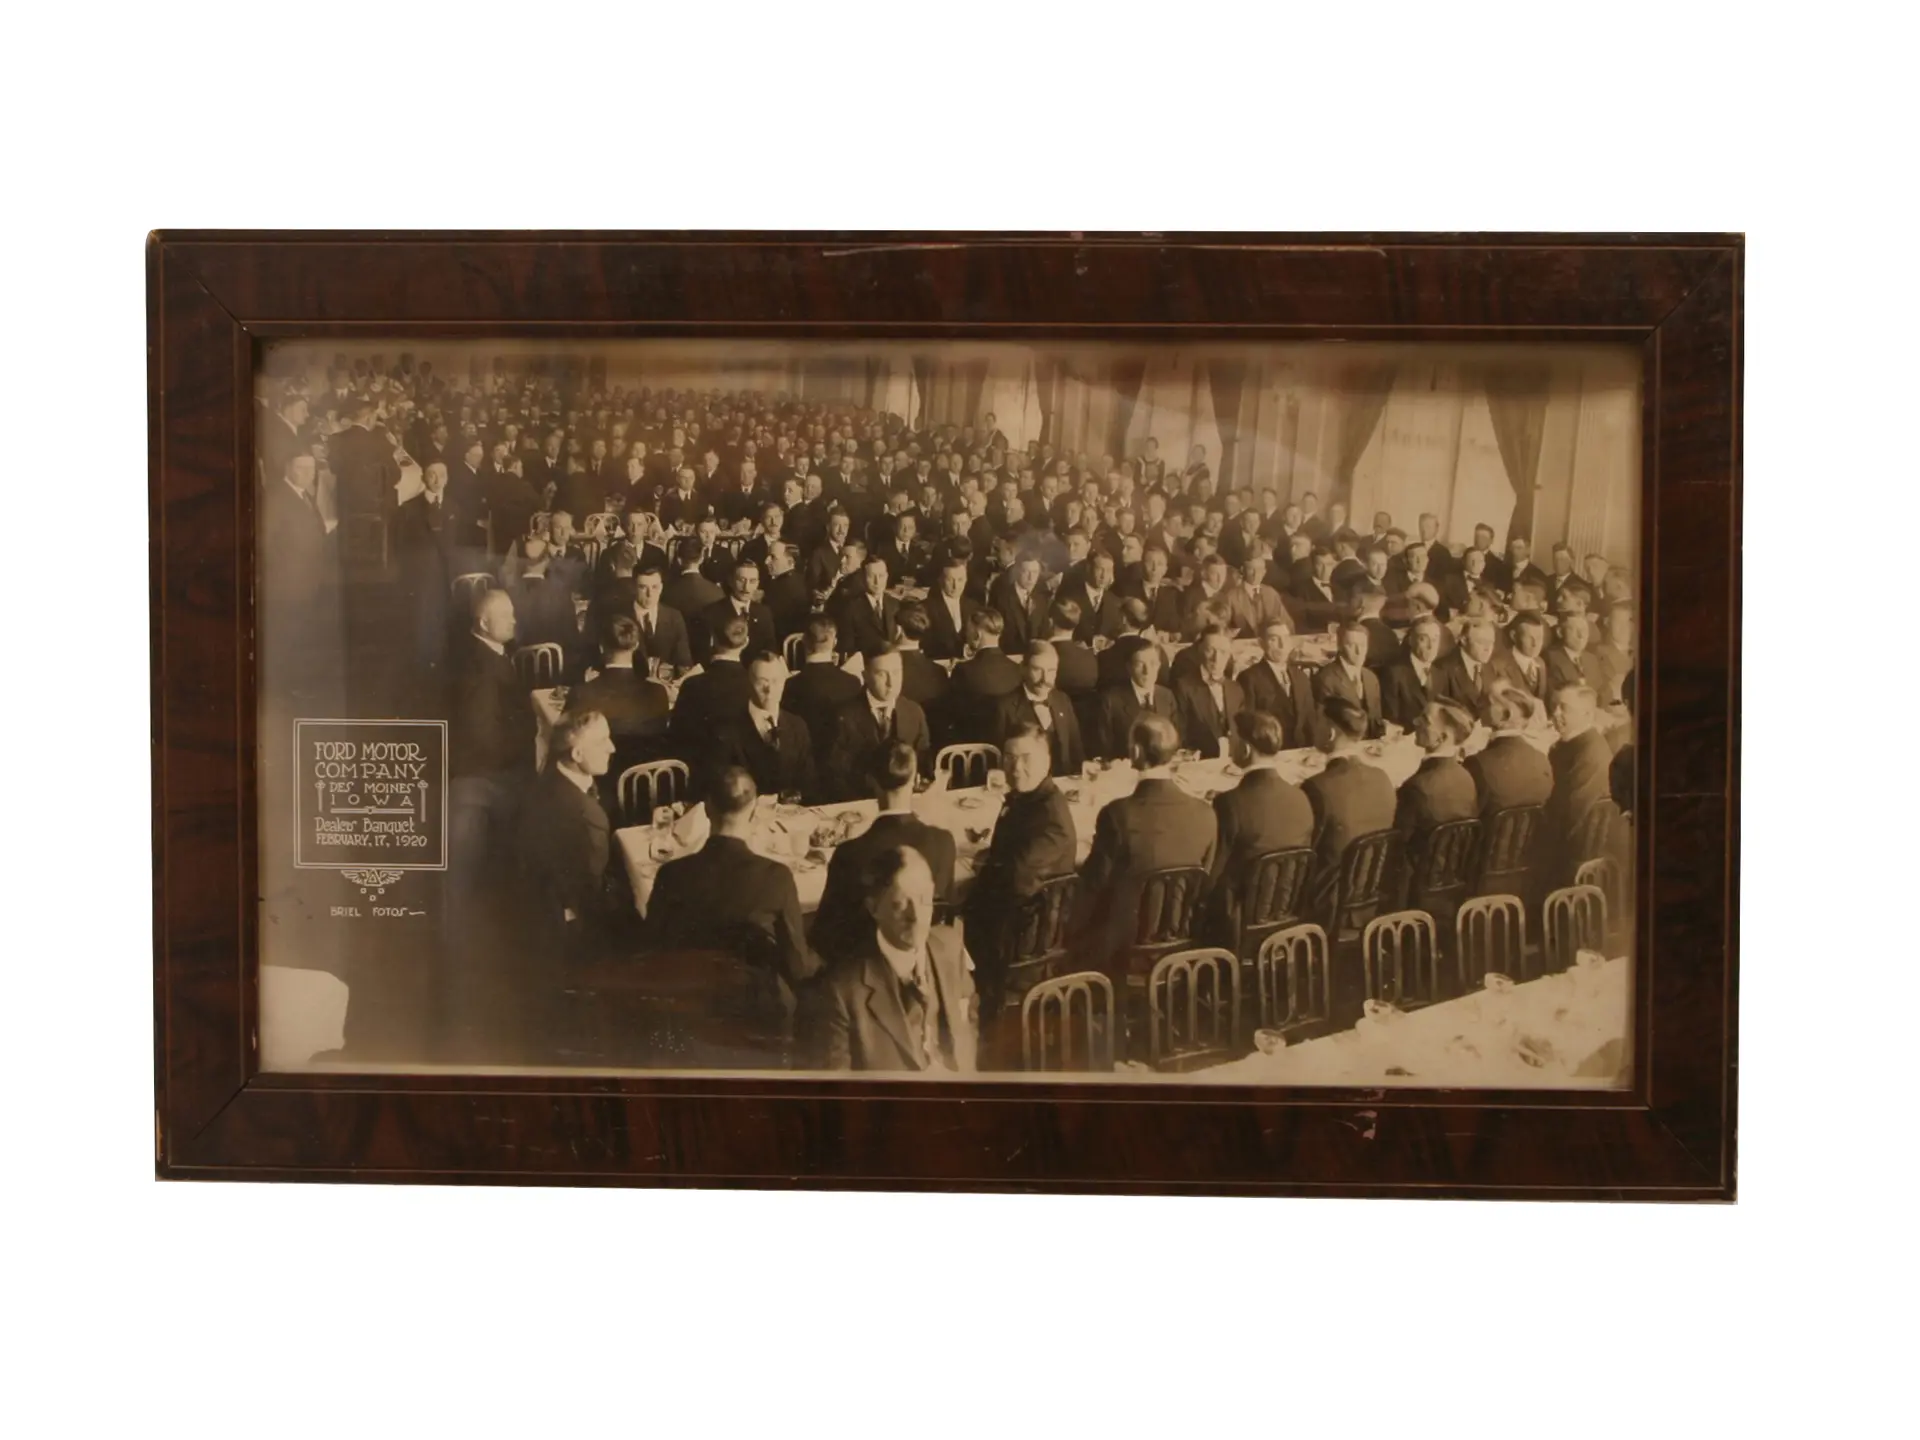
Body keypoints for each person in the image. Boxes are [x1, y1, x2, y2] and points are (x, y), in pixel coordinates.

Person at [800, 846, 978, 1072]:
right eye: (900, 903)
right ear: (873, 907)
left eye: (925, 899)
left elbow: (969, 1015)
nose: (916, 916)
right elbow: (839, 1090)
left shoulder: (950, 947)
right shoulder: (840, 992)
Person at [646, 766, 815, 996]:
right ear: (754, 812)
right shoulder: (777, 877)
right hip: (753, 1008)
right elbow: (797, 967)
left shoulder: (671, 874)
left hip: (687, 1002)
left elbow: (652, 948)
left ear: (705, 809)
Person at [1072, 713, 1218, 976]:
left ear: (1135, 751)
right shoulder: (1205, 813)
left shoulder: (1117, 814)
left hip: (1124, 942)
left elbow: (1093, 883)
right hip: (1182, 935)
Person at [961, 723, 1078, 1024]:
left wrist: (986, 870)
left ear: (1047, 760)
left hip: (1028, 932)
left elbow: (1015, 882)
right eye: (1009, 758)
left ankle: (975, 1015)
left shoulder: (1050, 816)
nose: (1016, 768)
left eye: (1026, 758)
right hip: (1019, 914)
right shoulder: (1026, 798)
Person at [812, 741, 958, 963]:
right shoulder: (944, 842)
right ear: (916, 779)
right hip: (926, 959)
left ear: (871, 781)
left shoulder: (850, 853)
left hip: (868, 967)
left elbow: (823, 935)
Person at [517, 709, 620, 966]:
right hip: (567, 921)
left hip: (540, 896)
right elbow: (591, 888)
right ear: (576, 754)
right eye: (602, 742)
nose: (613, 748)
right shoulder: (588, 816)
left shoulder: (551, 773)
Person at [1204, 710, 1315, 946]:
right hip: (1287, 914)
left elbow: (1213, 874)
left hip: (1240, 922)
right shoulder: (1301, 797)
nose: (1230, 741)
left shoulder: (1230, 804)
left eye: (1232, 737)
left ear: (1244, 749)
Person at [1300, 696, 1398, 921]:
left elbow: (1306, 853)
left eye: (1318, 722)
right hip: (1372, 898)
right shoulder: (1382, 778)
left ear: (1331, 733)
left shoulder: (1317, 787)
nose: (1313, 727)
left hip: (1330, 904)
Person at [570, 615, 672, 795]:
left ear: (601, 647)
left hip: (602, 790)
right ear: (636, 646)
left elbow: (565, 745)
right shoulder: (659, 692)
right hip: (649, 789)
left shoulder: (583, 692)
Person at [1393, 699, 1481, 895]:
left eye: (1424, 720)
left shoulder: (1417, 787)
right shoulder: (1466, 777)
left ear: (1441, 738)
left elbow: (1396, 848)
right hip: (1453, 878)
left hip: (1418, 887)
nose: (1415, 722)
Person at [710, 650, 816, 804]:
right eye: (762, 682)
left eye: (776, 681)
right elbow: (721, 792)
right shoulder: (727, 730)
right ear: (748, 683)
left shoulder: (797, 725)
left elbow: (809, 784)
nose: (770, 690)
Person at [824, 646, 931, 799]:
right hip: (860, 804)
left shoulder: (914, 712)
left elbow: (924, 763)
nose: (891, 682)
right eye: (882, 674)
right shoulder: (844, 717)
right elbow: (835, 776)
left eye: (896, 672)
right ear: (865, 676)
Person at [1546, 683, 1614, 881]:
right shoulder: (1572, 743)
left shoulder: (1590, 752)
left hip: (1575, 851)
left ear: (1586, 714)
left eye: (1564, 708)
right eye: (1555, 706)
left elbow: (1571, 813)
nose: (1555, 713)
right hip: (1568, 841)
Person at [991, 639, 1086, 776]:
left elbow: (1077, 751)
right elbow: (999, 764)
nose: (1045, 679)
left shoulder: (1062, 700)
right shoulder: (1004, 708)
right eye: (1037, 670)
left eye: (1051, 671)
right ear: (1023, 668)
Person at [782, 617, 864, 767]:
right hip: (845, 763)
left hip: (806, 762)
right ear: (835, 643)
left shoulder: (791, 685)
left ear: (804, 642)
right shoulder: (853, 683)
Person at [1465, 684, 1555, 815]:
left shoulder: (1477, 763)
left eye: (1488, 704)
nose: (1481, 707)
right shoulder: (1541, 759)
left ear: (1504, 716)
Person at [1237, 617, 1321, 752]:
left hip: (1301, 753)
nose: (1282, 645)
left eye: (1286, 638)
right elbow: (1248, 727)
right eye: (1274, 639)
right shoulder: (1249, 678)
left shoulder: (1301, 677)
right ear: (1261, 643)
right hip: (1269, 753)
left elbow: (1310, 722)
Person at [670, 613, 754, 748]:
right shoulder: (753, 683)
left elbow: (676, 736)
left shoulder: (693, 685)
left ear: (712, 640)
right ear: (746, 642)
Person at [947, 607, 1023, 744]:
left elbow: (953, 712)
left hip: (973, 743)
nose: (966, 636)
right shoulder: (1017, 669)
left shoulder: (964, 670)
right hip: (1009, 741)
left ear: (977, 635)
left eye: (968, 631)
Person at [1093, 639, 1178, 761]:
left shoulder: (1166, 696)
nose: (1147, 671)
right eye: (1140, 664)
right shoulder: (1111, 700)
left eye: (1153, 663)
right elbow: (1104, 749)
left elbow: (1176, 741)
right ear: (1129, 667)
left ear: (1160, 665)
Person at [1172, 628, 1246, 757]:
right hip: (1200, 763)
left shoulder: (1236, 689)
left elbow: (1242, 733)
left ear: (1229, 655)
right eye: (1210, 650)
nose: (1216, 659)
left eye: (1223, 652)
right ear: (1200, 650)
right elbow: (1180, 735)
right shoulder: (1184, 687)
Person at [696, 557, 776, 664]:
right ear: (731, 581)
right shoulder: (711, 613)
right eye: (741, 580)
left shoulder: (764, 613)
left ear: (757, 584)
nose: (746, 587)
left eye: (752, 581)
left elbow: (770, 650)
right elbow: (704, 656)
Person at [1312, 620, 1385, 738]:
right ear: (1339, 646)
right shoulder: (1326, 679)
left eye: (1362, 645)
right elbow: (1322, 727)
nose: (1358, 651)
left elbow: (1376, 721)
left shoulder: (1371, 678)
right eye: (1351, 645)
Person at [1381, 616, 1445, 730]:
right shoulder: (1393, 674)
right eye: (1423, 639)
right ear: (1411, 641)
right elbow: (1391, 721)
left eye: (1435, 639)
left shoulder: (1440, 673)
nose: (1431, 646)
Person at [629, 565, 693, 674]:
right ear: (633, 588)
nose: (650, 594)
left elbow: (684, 661)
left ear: (661, 587)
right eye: (643, 587)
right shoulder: (619, 617)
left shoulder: (674, 616)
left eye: (655, 587)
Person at [834, 554, 899, 658]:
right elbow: (847, 648)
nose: (877, 582)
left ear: (887, 576)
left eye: (881, 576)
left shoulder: (895, 604)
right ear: (862, 578)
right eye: (871, 576)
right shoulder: (850, 608)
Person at [922, 556, 982, 661]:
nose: (956, 586)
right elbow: (927, 647)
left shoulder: (974, 606)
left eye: (960, 580)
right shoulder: (926, 608)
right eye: (950, 580)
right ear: (940, 580)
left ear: (966, 579)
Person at [989, 554, 1050, 657]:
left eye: (1035, 572)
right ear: (1016, 571)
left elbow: (1045, 633)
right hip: (1008, 659)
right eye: (1026, 572)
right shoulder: (1001, 599)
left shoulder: (1042, 598)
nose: (1031, 578)